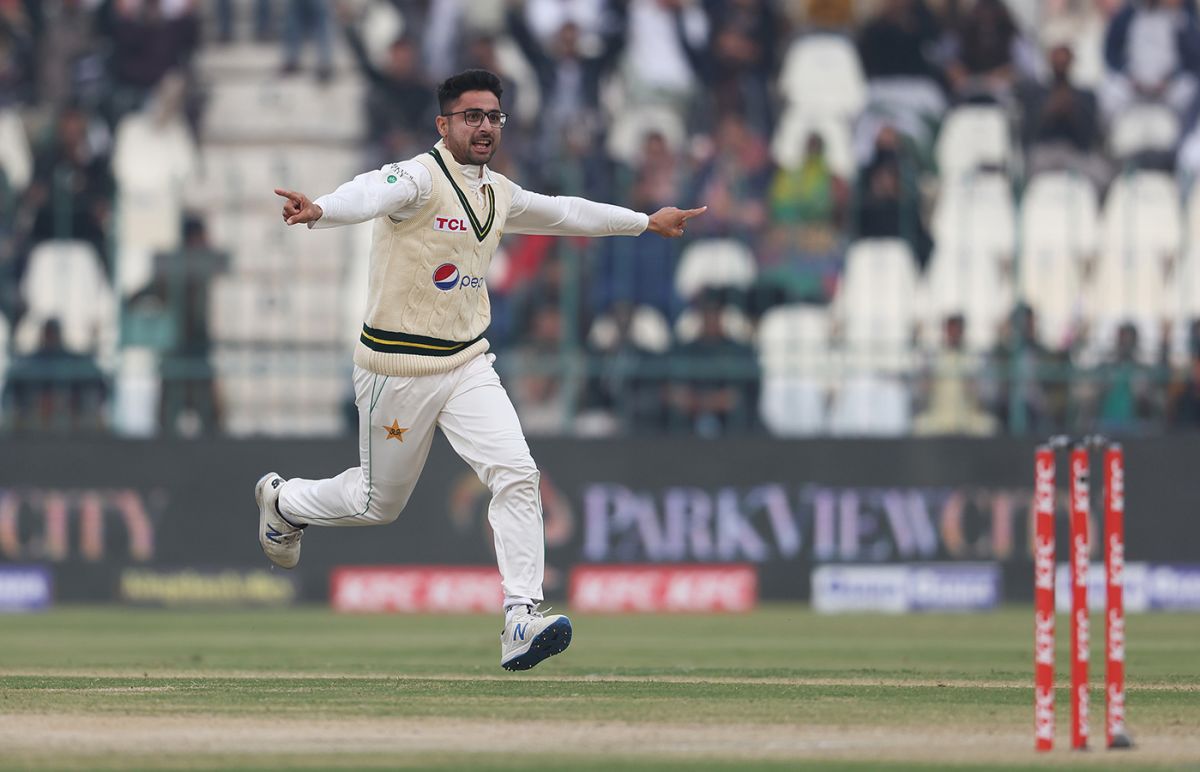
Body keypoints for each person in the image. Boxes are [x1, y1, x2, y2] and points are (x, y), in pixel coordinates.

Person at [266, 69, 704, 671]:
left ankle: (521, 618)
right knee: (376, 504)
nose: (484, 127)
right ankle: (286, 502)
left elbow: (566, 212)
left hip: (467, 362)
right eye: (471, 116)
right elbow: (370, 191)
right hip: (397, 367)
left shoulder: (499, 193)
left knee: (518, 474)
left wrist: (646, 221)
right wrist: (321, 210)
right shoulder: (418, 178)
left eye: (493, 116)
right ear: (443, 124)